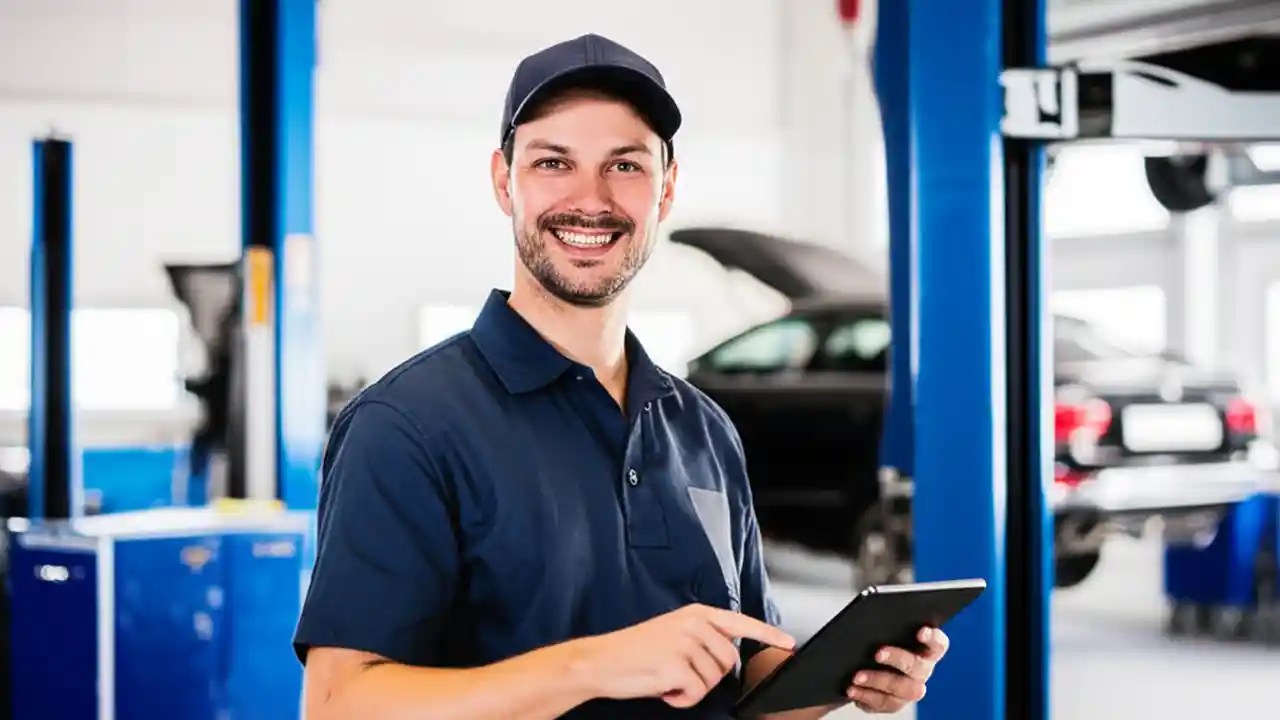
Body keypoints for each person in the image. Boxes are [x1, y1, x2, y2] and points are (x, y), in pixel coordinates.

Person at [292, 33, 950, 719]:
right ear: (502, 180)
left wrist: (838, 676)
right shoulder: (406, 425)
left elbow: (744, 664)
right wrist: (591, 665)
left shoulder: (703, 429)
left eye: (625, 166)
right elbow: (341, 704)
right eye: (554, 163)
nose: (590, 199)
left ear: (666, 189)